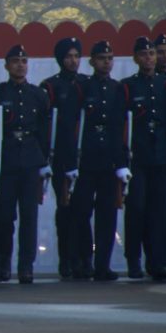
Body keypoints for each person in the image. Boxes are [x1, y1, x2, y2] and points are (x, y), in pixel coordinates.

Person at [0, 45, 51, 284]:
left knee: (29, 216)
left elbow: (44, 131)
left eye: (23, 61)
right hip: (7, 160)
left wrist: (44, 161)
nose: (20, 65)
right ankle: (4, 261)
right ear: (7, 65)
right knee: (4, 216)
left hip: (30, 160)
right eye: (15, 61)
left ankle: (26, 266)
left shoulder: (38, 95)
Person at [119, 36, 166, 280]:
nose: (149, 58)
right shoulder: (128, 86)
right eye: (144, 54)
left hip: (161, 158)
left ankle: (158, 261)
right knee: (137, 210)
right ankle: (133, 260)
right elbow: (121, 126)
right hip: (137, 159)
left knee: (160, 212)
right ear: (136, 58)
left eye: (152, 53)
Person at [68, 41, 124, 281]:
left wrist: (121, 163)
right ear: (92, 62)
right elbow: (71, 125)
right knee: (81, 213)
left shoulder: (117, 88)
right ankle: (85, 260)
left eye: (110, 58)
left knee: (107, 215)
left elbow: (121, 127)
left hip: (108, 160)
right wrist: (71, 162)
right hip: (86, 160)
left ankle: (103, 265)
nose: (106, 62)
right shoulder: (82, 87)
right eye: (102, 58)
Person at [40, 37, 89, 279]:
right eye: (69, 56)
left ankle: (85, 260)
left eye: (76, 56)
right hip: (61, 157)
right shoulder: (50, 86)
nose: (73, 61)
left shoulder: (87, 83)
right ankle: (67, 260)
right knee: (65, 208)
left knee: (83, 210)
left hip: (85, 157)